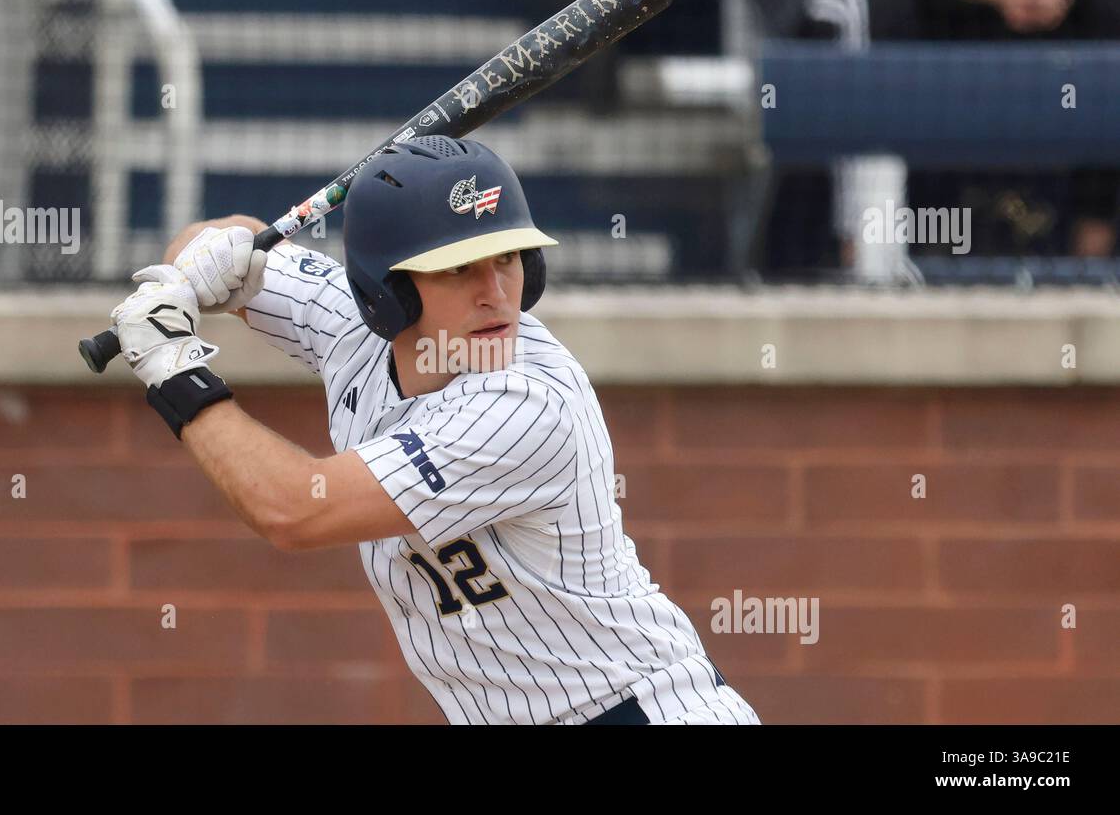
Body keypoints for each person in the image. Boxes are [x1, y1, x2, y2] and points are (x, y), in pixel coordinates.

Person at [109, 135, 759, 725]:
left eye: (508, 259)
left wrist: (175, 370)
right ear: (390, 294)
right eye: (458, 268)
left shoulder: (526, 401)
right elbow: (214, 240)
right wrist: (211, 255)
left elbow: (292, 507)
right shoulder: (355, 330)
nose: (495, 293)